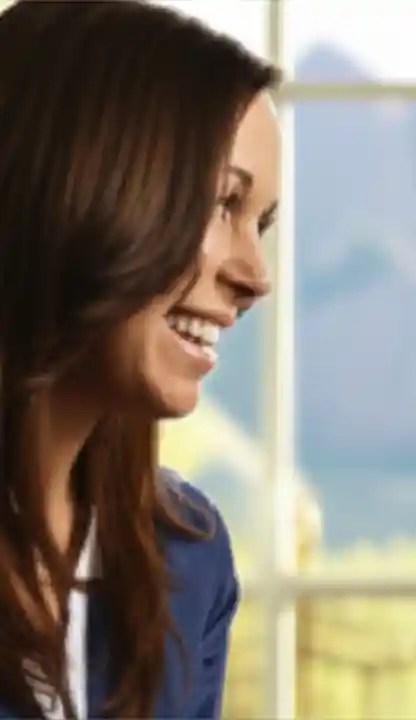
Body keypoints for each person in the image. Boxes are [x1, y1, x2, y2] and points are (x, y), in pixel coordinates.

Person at [0, 1, 280, 716]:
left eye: (263, 225)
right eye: (224, 203)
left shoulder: (186, 557)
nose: (257, 274)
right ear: (75, 181)